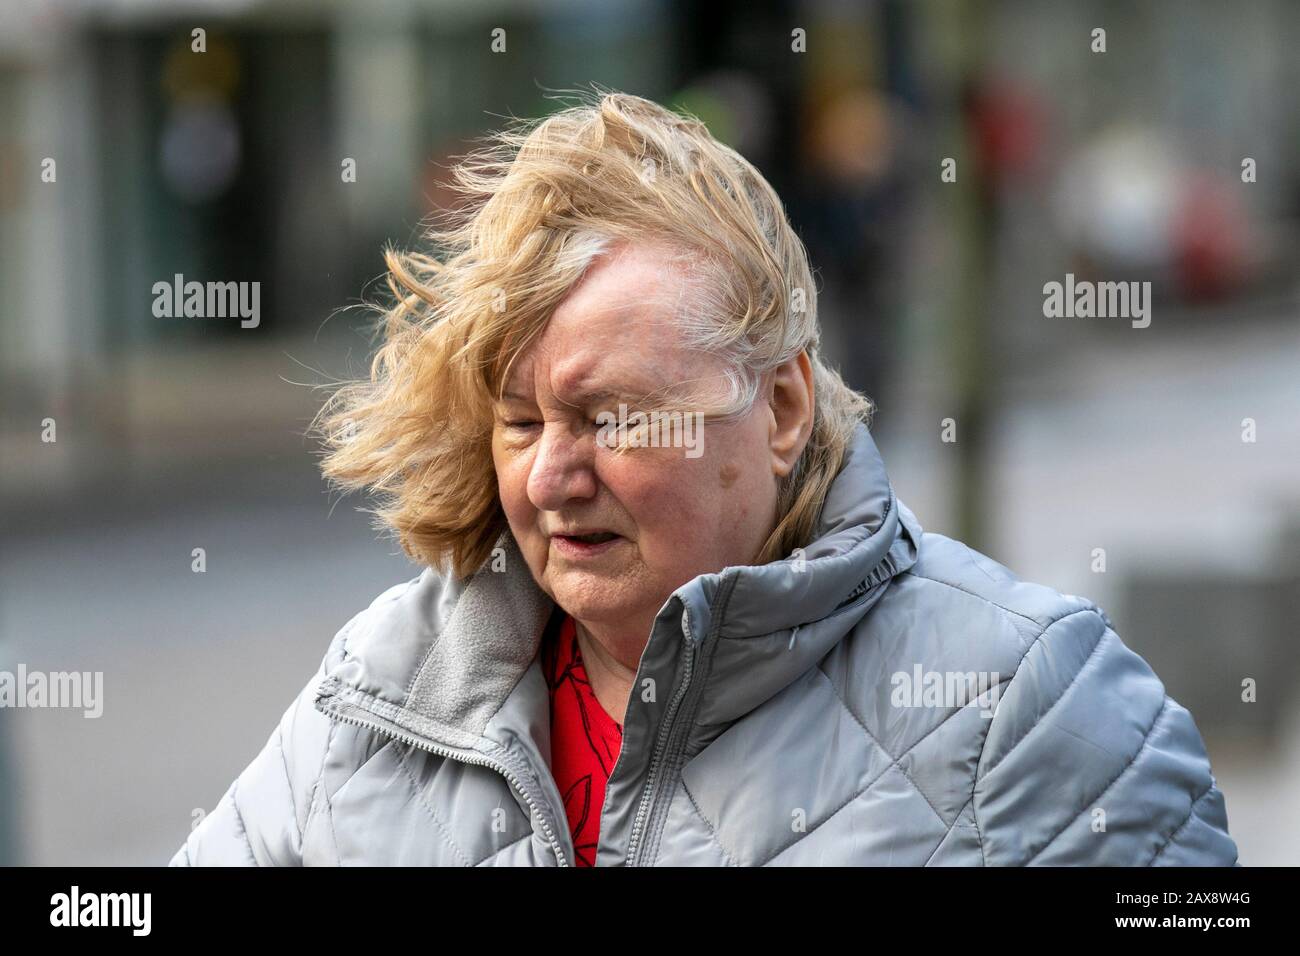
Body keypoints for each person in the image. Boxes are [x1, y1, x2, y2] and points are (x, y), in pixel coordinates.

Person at [170, 91, 1238, 866]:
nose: (550, 474)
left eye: (609, 416)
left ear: (777, 407)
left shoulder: (1032, 704)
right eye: (519, 419)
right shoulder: (379, 695)